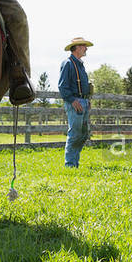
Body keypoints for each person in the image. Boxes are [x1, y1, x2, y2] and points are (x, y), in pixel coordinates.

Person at [59, 37, 94, 168]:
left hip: (83, 101)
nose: (86, 49)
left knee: (83, 134)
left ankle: (74, 163)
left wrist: (87, 99)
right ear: (77, 47)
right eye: (84, 46)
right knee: (74, 134)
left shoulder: (79, 64)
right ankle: (70, 165)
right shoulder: (68, 63)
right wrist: (73, 100)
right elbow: (63, 86)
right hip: (75, 102)